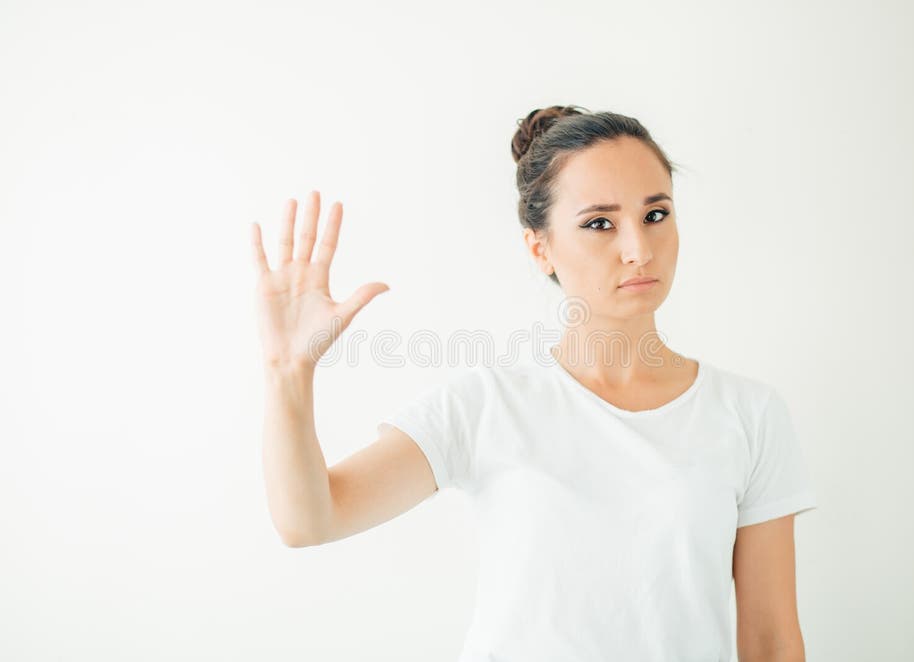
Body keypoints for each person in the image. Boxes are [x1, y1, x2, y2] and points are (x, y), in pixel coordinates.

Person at [250, 105, 818, 661]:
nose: (638, 249)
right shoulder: (486, 405)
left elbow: (771, 643)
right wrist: (287, 373)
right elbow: (309, 519)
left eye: (655, 214)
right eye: (600, 223)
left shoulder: (748, 414)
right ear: (539, 248)